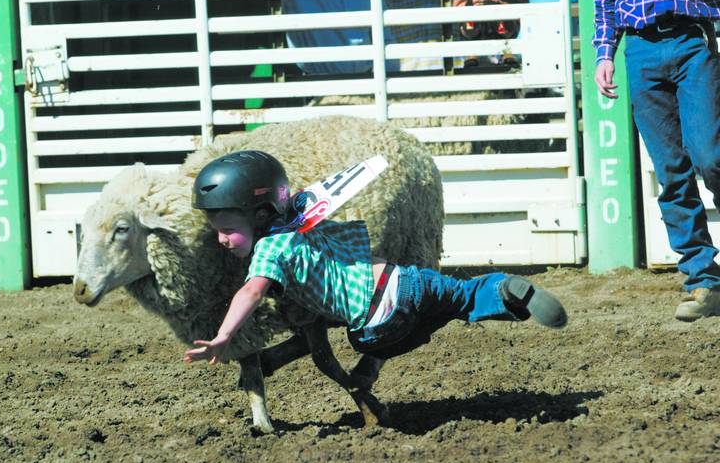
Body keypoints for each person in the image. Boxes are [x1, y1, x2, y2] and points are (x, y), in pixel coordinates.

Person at [183, 151, 567, 365]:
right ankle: (506, 290)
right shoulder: (301, 218)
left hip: (375, 318)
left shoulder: (269, 249)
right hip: (405, 280)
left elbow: (250, 293)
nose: (220, 239)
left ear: (262, 214)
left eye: (227, 228)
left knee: (366, 341)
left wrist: (223, 336)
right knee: (463, 296)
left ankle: (370, 369)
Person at [593, 0, 720, 321]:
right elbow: (604, 0)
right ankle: (704, 279)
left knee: (712, 156)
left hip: (691, 39)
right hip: (639, 47)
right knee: (670, 169)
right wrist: (604, 55)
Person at [453, 0, 528, 67]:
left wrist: (500, 3)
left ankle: (507, 53)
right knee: (471, 17)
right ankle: (472, 54)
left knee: (504, 20)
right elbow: (455, 7)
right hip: (474, 29)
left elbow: (525, 6)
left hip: (503, 28)